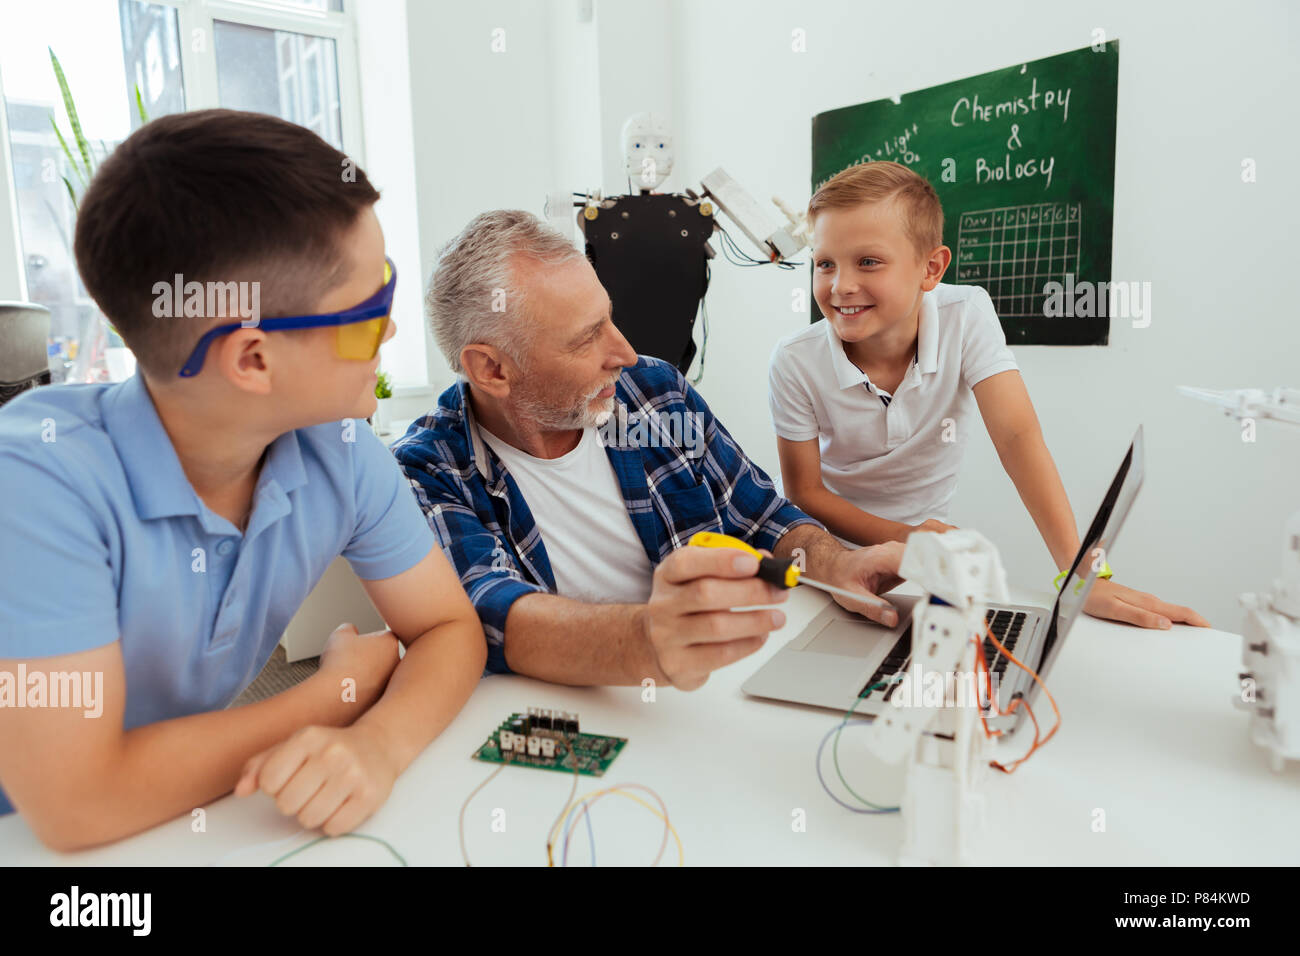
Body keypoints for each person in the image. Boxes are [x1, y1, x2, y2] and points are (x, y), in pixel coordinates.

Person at [0, 110, 485, 849]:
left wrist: (378, 744)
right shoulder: (36, 480)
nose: (391, 331)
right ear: (253, 359)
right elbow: (78, 806)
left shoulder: (342, 450)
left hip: (190, 825)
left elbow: (449, 629)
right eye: (368, 313)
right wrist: (332, 694)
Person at [393, 210, 906, 688]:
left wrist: (835, 563)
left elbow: (762, 517)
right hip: (579, 709)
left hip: (717, 686)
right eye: (586, 338)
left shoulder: (656, 391)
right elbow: (490, 613)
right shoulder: (429, 468)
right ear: (492, 370)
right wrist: (647, 640)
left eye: (609, 318)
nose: (625, 352)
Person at [768, 161, 1207, 630]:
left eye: (868, 262)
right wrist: (906, 537)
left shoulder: (967, 314)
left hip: (924, 564)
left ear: (931, 268)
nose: (841, 286)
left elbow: (1017, 436)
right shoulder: (795, 361)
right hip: (829, 562)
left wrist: (1080, 571)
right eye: (825, 263)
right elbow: (804, 491)